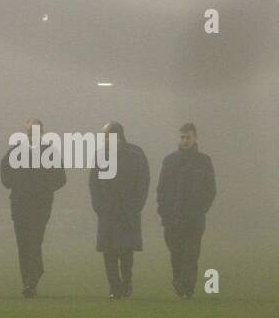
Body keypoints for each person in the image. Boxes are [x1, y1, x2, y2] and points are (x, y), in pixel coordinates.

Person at [0, 118, 66, 298]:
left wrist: (43, 189)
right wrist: (17, 185)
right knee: (23, 244)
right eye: (29, 133)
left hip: (40, 206)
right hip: (20, 204)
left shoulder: (50, 152)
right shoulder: (15, 152)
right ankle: (28, 280)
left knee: (34, 242)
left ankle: (31, 279)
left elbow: (60, 178)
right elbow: (5, 173)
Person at [89, 122, 149, 299]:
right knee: (108, 252)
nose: (103, 139)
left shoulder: (136, 154)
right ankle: (115, 288)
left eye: (106, 135)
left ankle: (126, 282)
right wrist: (98, 206)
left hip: (128, 211)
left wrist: (137, 205)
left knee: (126, 251)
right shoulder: (100, 156)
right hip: (107, 212)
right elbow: (93, 183)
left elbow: (143, 181)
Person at [156, 123, 217, 298]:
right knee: (176, 254)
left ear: (195, 138)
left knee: (191, 253)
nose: (184, 141)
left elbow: (210, 190)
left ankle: (188, 288)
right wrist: (163, 211)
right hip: (172, 218)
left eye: (187, 137)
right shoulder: (170, 161)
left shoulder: (204, 161)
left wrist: (201, 209)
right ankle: (178, 283)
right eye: (182, 137)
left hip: (194, 218)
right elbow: (162, 189)